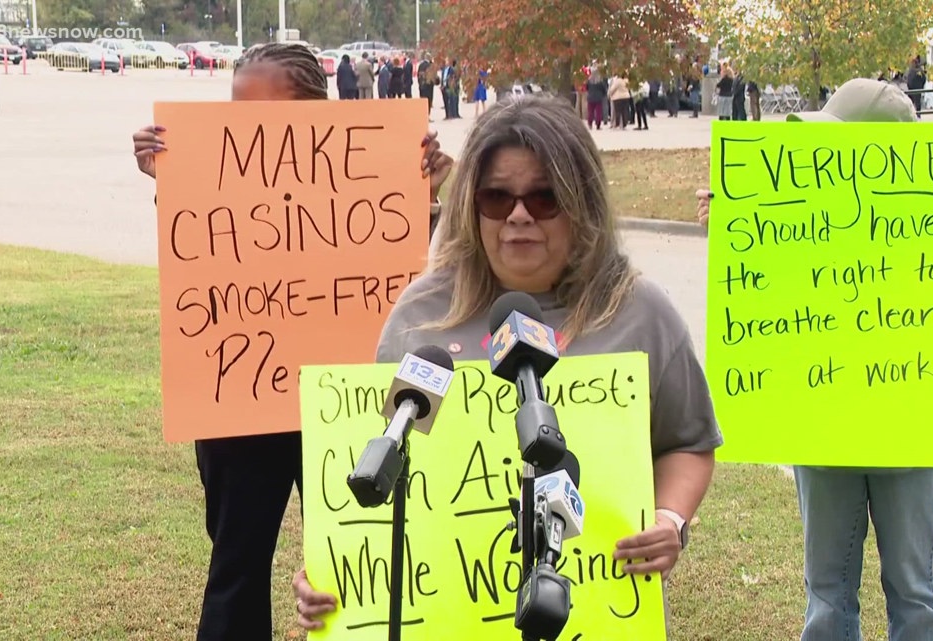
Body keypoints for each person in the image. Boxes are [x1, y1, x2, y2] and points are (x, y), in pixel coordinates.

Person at [291, 92, 723, 631]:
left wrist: (670, 519)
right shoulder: (422, 316)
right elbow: (375, 468)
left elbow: (689, 441)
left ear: (581, 203)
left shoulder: (640, 312)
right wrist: (334, 570)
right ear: (472, 206)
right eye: (497, 198)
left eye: (544, 199)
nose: (519, 216)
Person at [129, 42, 454, 641]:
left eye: (263, 112)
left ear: (316, 112)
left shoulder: (378, 164)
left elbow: (432, 273)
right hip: (243, 403)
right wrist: (172, 179)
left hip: (346, 400)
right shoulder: (219, 168)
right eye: (235, 112)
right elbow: (203, 253)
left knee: (363, 554)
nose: (243, 127)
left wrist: (432, 187)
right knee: (236, 563)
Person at [693, 78, 933, 641]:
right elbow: (772, 292)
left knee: (913, 589)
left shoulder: (927, 218)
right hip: (824, 429)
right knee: (826, 591)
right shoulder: (804, 215)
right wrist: (734, 224)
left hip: (910, 439)